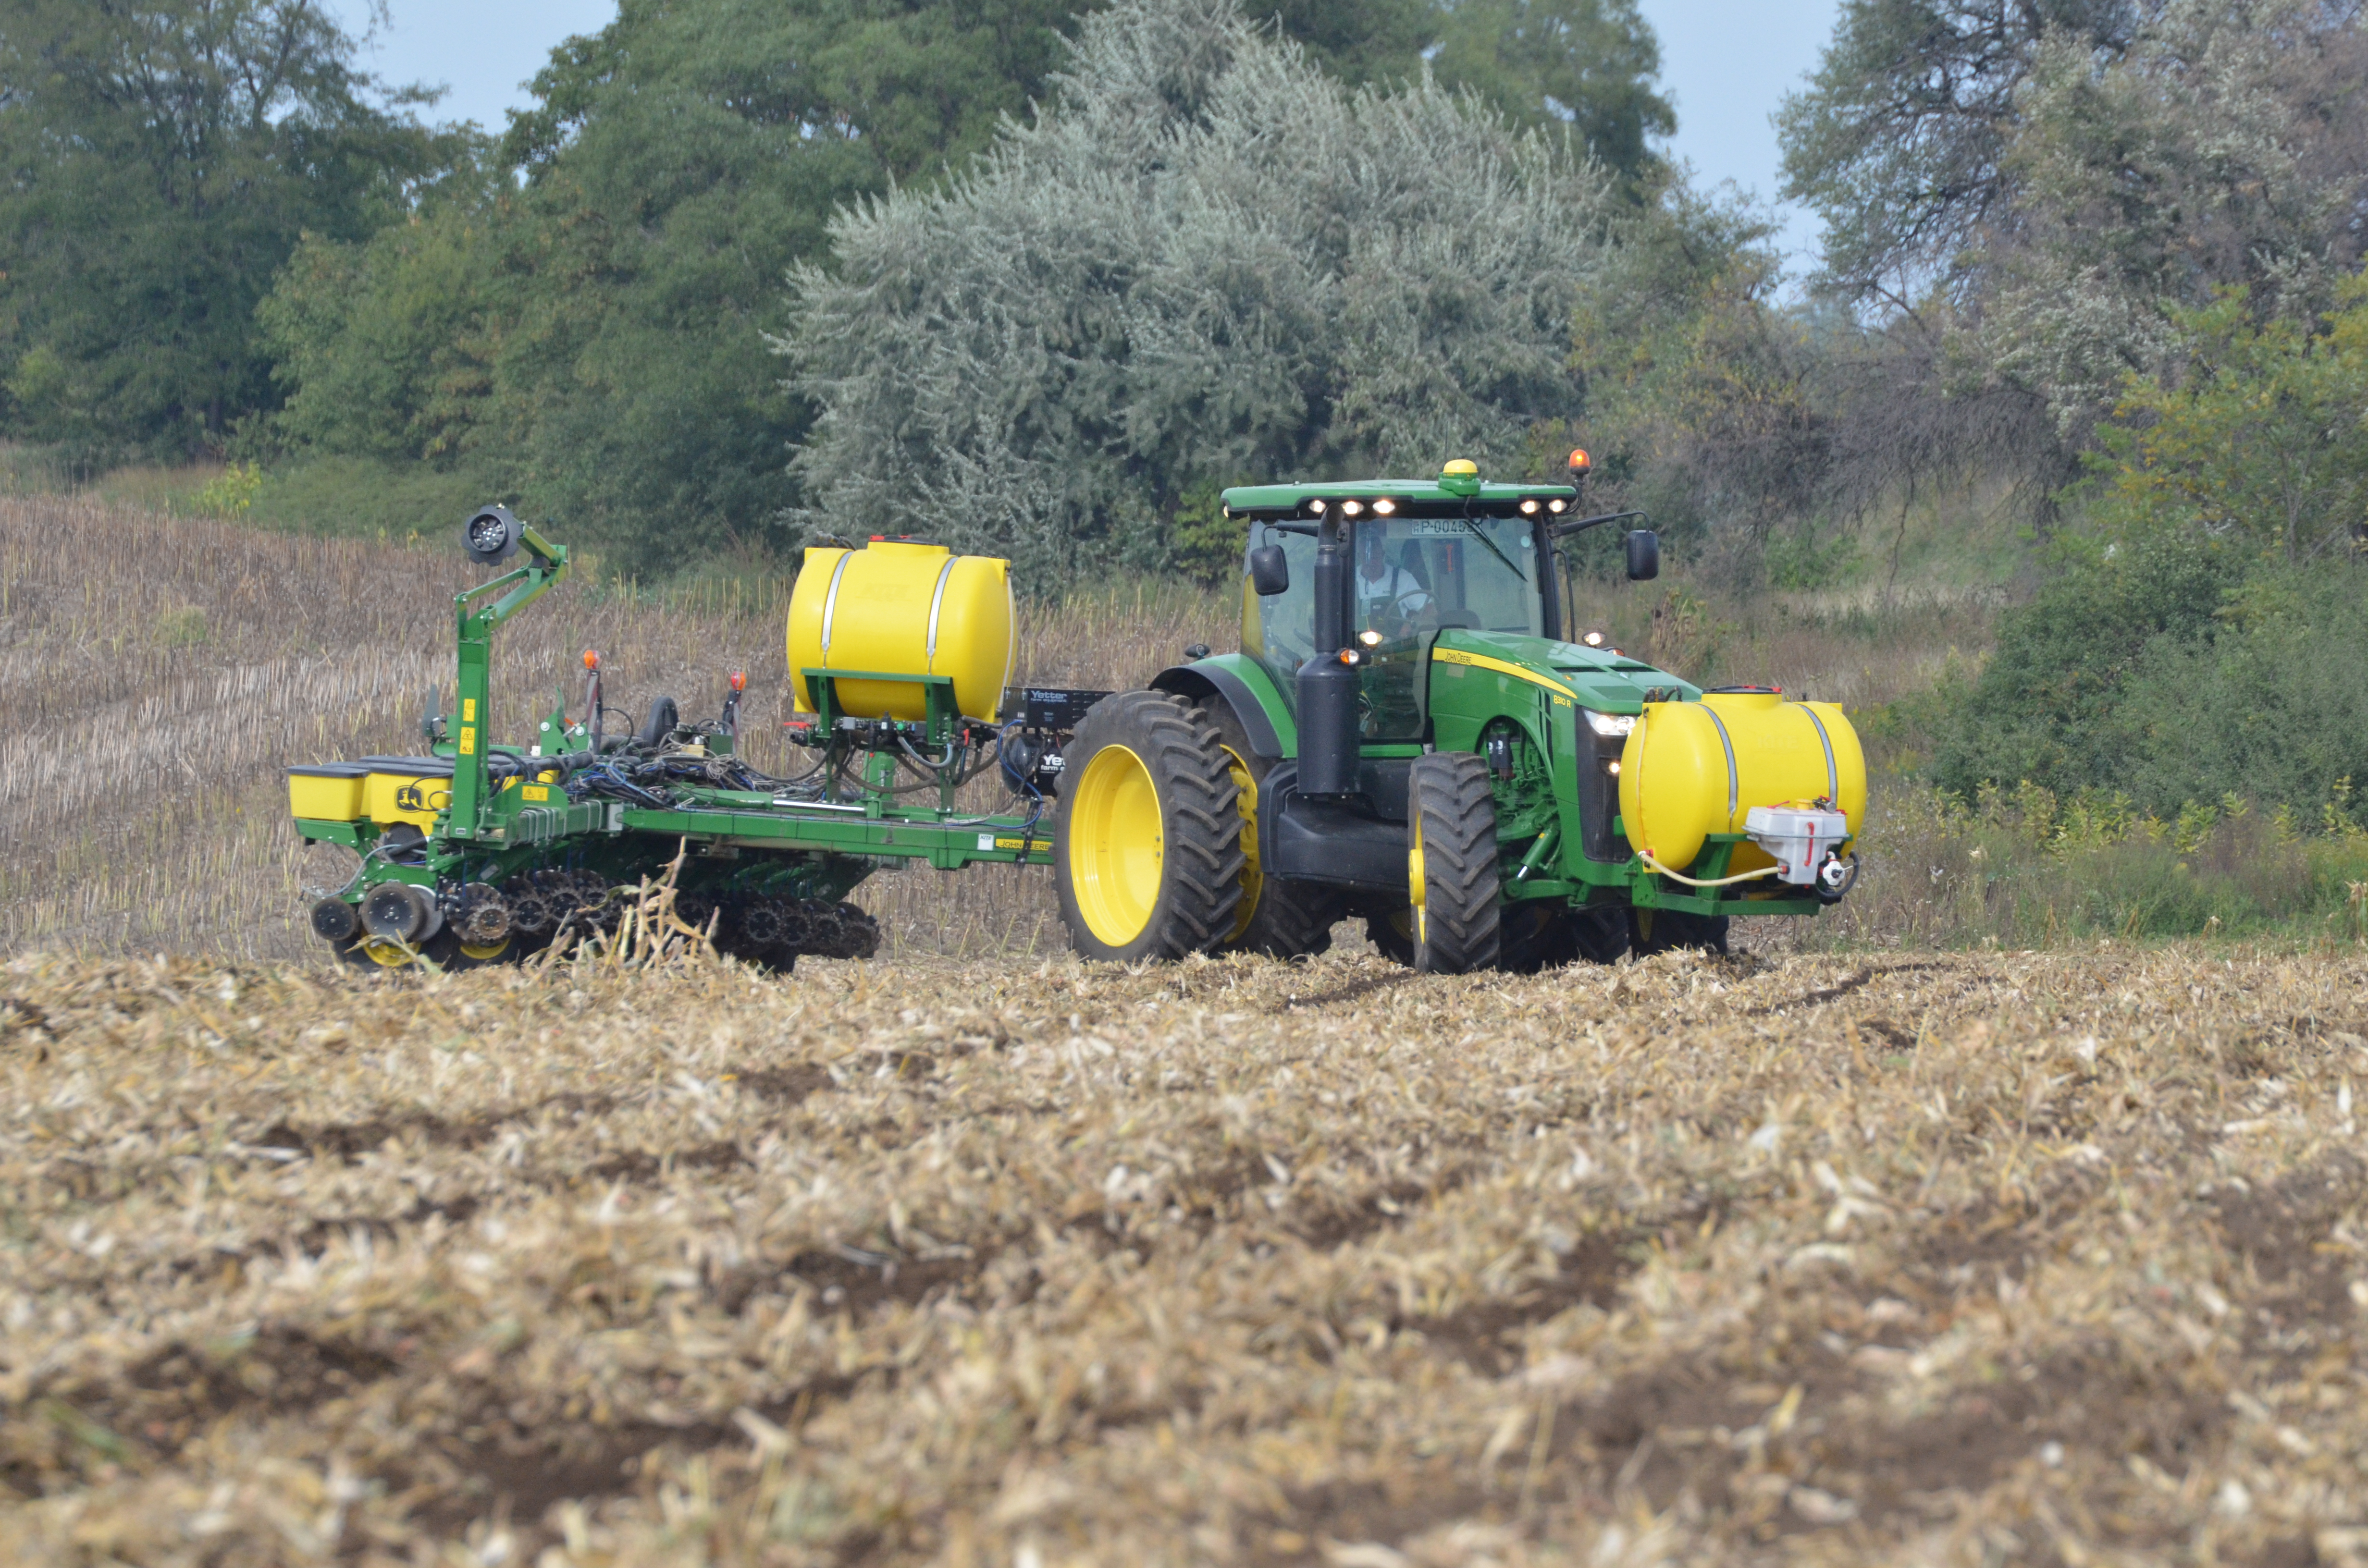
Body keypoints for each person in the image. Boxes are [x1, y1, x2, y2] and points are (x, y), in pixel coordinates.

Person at [1353, 524, 1431, 634]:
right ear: (1359, 556)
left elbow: (1430, 610)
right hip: (1355, 645)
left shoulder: (1403, 578)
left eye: (1375, 557)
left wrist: (1412, 622)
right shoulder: (1349, 580)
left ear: (1383, 555)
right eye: (1367, 558)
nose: (1371, 562)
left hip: (1398, 645)